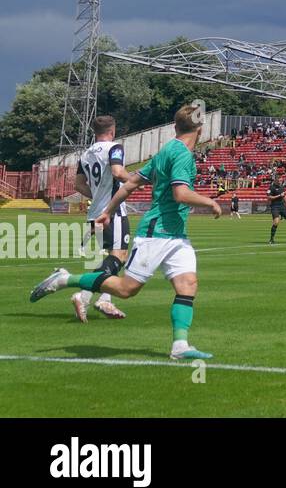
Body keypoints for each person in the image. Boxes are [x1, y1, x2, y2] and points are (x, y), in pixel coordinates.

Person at [29, 103, 221, 360]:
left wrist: (107, 209)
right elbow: (180, 194)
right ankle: (66, 279)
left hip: (176, 235)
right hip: (156, 233)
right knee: (126, 289)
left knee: (188, 284)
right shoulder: (182, 155)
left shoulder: (167, 150)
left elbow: (130, 183)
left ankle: (180, 345)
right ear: (200, 129)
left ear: (175, 127)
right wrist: (210, 201)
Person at [69, 115, 130, 321]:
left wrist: (96, 196)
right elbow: (118, 172)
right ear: (112, 131)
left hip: (94, 212)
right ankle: (83, 296)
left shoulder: (85, 154)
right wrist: (140, 180)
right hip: (112, 212)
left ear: (95, 132)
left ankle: (106, 300)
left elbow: (78, 185)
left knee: (109, 258)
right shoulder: (115, 147)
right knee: (119, 256)